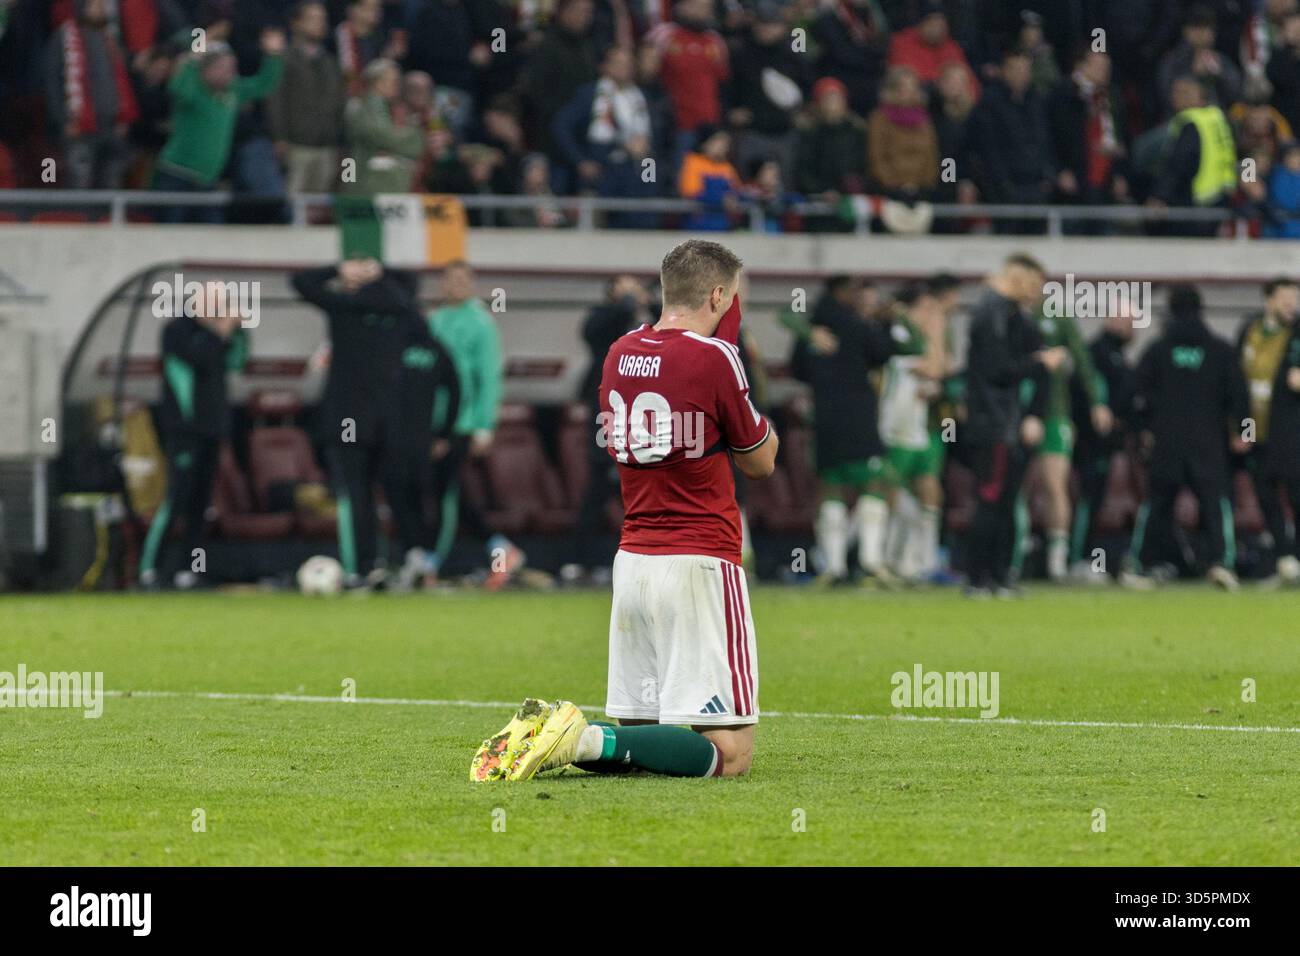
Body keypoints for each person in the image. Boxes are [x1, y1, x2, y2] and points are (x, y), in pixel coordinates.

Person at [470, 239, 778, 782]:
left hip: (634, 561)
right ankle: (578, 737)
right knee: (730, 756)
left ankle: (581, 742)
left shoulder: (619, 351)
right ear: (717, 295)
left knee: (637, 739)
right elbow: (760, 463)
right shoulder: (717, 358)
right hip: (699, 561)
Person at [291, 258, 421, 588]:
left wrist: (339, 269)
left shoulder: (344, 308)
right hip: (385, 420)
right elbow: (409, 283)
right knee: (378, 494)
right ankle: (381, 563)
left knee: (353, 495)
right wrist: (378, 271)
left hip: (346, 417)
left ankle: (358, 569)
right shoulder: (399, 309)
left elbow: (301, 281)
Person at [786, 277, 923, 585]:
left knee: (831, 485)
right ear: (843, 293)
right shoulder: (858, 327)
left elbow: (796, 368)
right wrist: (886, 323)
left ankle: (833, 566)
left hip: (823, 416)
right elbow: (886, 353)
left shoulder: (812, 329)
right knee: (874, 482)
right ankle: (871, 560)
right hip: (858, 416)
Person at [1125, 285, 1250, 590]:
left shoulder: (1157, 350)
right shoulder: (1220, 349)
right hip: (1209, 441)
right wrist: (1246, 434)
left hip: (1167, 441)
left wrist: (1142, 431)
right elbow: (1241, 397)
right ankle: (1222, 562)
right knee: (1215, 504)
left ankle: (1139, 565)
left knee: (1156, 505)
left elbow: (1134, 396)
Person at [961, 254, 1068, 596]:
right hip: (992, 423)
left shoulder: (1014, 316)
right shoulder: (991, 313)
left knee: (1005, 502)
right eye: (1036, 283)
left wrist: (1033, 413)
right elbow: (998, 370)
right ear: (1018, 278)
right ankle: (978, 578)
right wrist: (1039, 364)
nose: (1039, 292)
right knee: (991, 500)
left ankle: (999, 576)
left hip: (1008, 423)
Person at [139, 283, 249, 589]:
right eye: (215, 303)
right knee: (177, 498)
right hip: (184, 430)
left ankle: (190, 569)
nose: (221, 309)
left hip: (213, 429)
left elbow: (236, 361)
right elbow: (200, 357)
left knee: (202, 503)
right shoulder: (177, 330)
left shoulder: (222, 335)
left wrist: (238, 332)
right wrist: (223, 330)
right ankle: (151, 568)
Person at [424, 261, 523, 589]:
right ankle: (501, 549)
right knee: (447, 491)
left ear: (472, 284)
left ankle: (431, 562)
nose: (456, 285)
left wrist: (484, 424)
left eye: (463, 280)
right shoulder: (434, 321)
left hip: (464, 422)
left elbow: (489, 377)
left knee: (448, 494)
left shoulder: (481, 323)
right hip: (434, 422)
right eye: (450, 279)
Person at [560, 275, 650, 584]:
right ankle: (581, 559)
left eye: (634, 288)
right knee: (599, 487)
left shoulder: (654, 319)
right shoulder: (603, 319)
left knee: (642, 489)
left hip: (645, 417)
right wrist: (624, 306)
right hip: (609, 414)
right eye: (622, 289)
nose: (630, 294)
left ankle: (645, 556)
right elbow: (591, 334)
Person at [1028, 281, 1113, 582]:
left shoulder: (1058, 316)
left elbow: (1083, 361)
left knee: (1054, 485)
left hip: (1054, 414)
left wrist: (1097, 403)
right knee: (1018, 487)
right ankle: (1015, 554)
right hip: (1015, 413)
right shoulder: (1008, 315)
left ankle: (1057, 562)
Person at [152, 30, 284, 222]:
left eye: (232, 67)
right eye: (223, 67)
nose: (230, 73)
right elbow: (178, 87)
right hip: (177, 176)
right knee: (169, 233)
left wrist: (273, 57)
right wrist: (192, 60)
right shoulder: (193, 91)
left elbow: (263, 85)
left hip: (207, 180)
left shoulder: (233, 91)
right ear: (206, 70)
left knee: (211, 234)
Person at [878, 274, 960, 582]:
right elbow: (936, 367)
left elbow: (942, 370)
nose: (933, 314)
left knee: (928, 488)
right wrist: (936, 334)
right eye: (927, 308)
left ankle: (923, 560)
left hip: (925, 422)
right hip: (895, 422)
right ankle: (880, 556)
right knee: (889, 488)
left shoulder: (923, 333)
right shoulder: (900, 331)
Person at [1235, 277, 1300, 583]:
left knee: (1295, 490)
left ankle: (1294, 557)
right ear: (1269, 301)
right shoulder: (1250, 332)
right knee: (1264, 492)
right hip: (1255, 430)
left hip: (1288, 430)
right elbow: (1238, 384)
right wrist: (1241, 431)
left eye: (1294, 299)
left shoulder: (1296, 335)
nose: (1291, 304)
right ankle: (1284, 558)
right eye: (1285, 298)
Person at [1068, 306, 1138, 578]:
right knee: (1088, 499)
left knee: (1096, 499)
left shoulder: (1117, 355)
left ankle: (1088, 559)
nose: (1133, 329)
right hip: (1091, 441)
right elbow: (1090, 395)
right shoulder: (1096, 354)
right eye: (1129, 321)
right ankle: (1078, 560)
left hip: (1108, 443)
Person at [44, 0, 137, 190]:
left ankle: (107, 219)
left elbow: (119, 81)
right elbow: (52, 83)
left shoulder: (109, 40)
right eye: (95, 5)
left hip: (110, 126)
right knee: (80, 180)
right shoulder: (64, 38)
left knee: (111, 179)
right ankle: (78, 218)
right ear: (82, 8)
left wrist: (122, 117)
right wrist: (63, 121)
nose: (101, 9)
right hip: (79, 126)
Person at [266, 0, 343, 194]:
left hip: (327, 146)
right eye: (312, 19)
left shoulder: (330, 62)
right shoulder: (283, 59)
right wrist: (279, 137)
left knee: (320, 211)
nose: (319, 24)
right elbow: (275, 100)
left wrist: (339, 138)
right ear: (296, 23)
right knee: (293, 207)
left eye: (322, 19)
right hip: (296, 146)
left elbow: (339, 101)